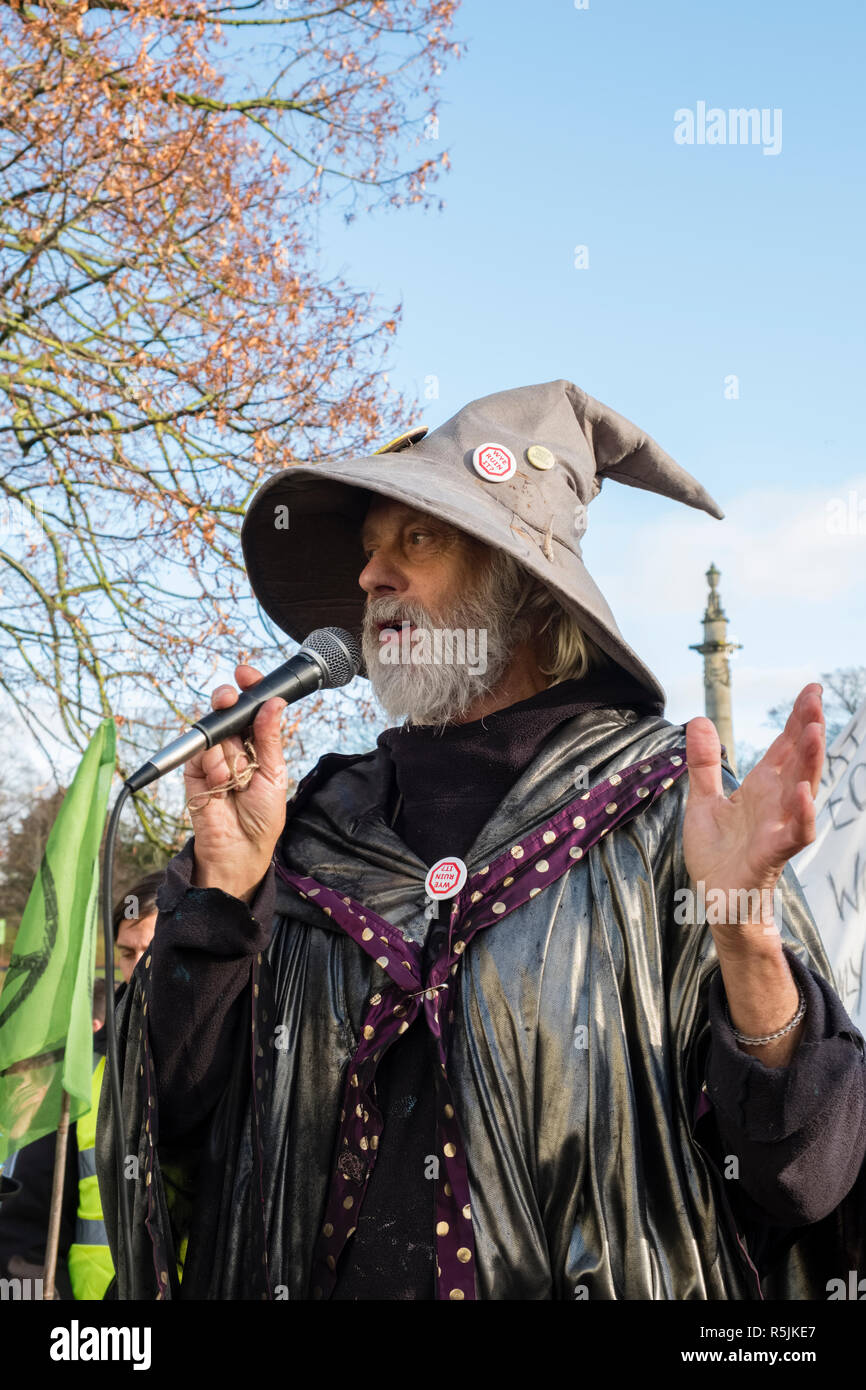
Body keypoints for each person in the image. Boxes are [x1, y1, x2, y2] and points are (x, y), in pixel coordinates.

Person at [98, 379, 866, 1300]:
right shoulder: (307, 834)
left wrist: (743, 932)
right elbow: (165, 1125)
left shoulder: (670, 813)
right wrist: (222, 896)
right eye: (369, 548)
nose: (370, 577)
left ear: (526, 586)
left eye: (417, 538)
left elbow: (808, 1175)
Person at [0, 873, 161, 1298]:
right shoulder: (74, 1075)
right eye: (128, 953)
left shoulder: (246, 1055)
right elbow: (24, 1234)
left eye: (158, 950)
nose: (141, 967)